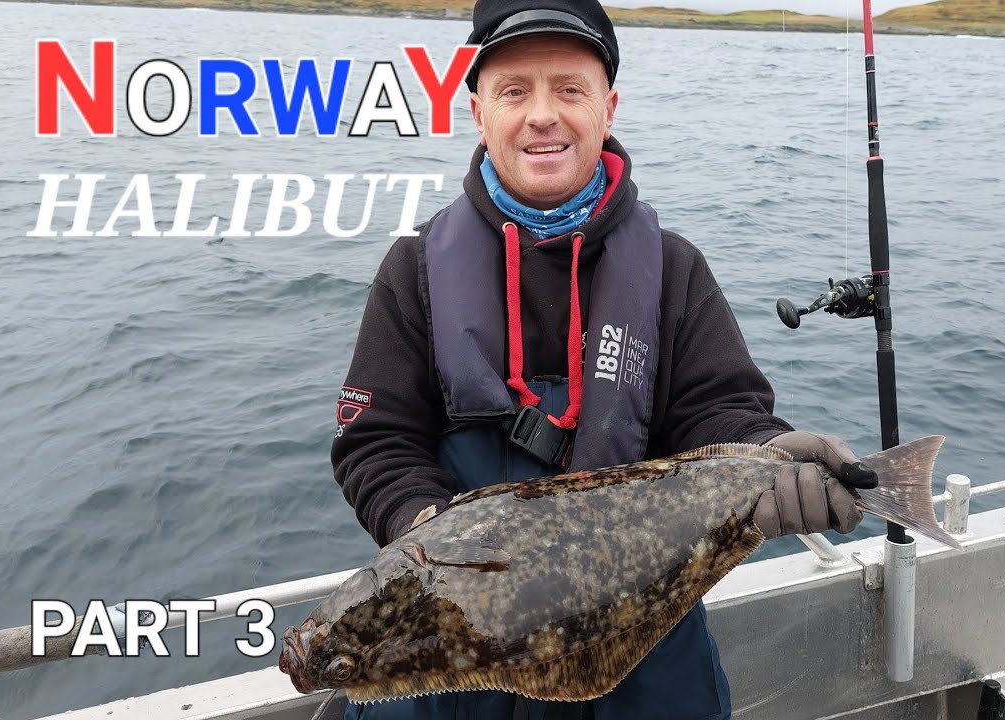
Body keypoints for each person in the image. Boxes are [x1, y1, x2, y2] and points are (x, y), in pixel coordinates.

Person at [331, 2, 878, 718]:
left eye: (569, 88)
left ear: (607, 106)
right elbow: (378, 442)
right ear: (478, 111)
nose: (542, 115)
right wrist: (434, 546)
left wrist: (773, 456)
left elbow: (720, 413)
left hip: (641, 631)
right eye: (515, 90)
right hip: (461, 637)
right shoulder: (415, 271)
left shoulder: (673, 269)